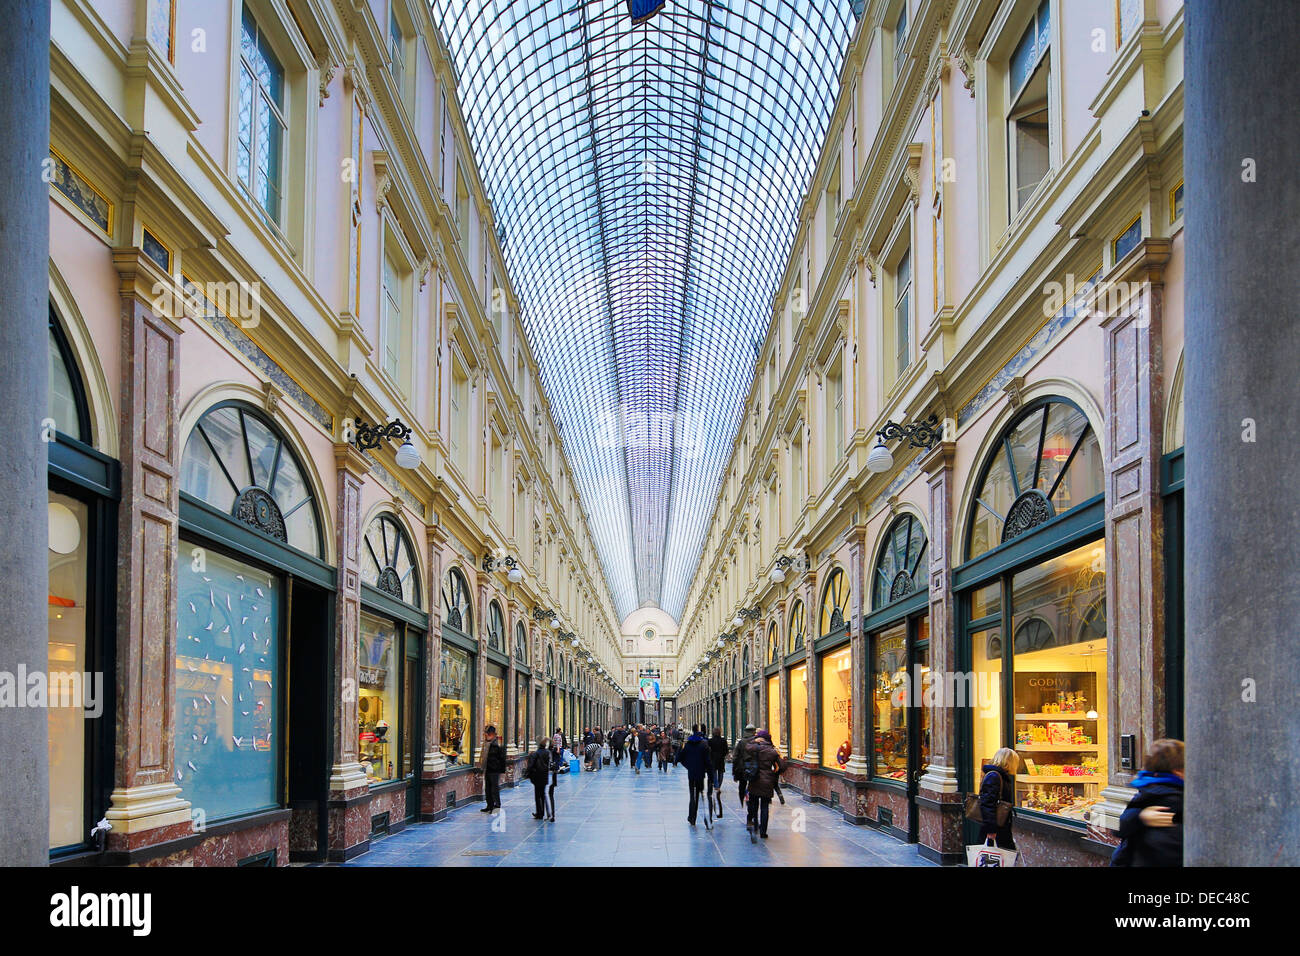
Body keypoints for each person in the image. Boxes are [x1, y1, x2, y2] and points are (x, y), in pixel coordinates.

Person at [1114, 739, 1184, 867]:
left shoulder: (1149, 791)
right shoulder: (1174, 799)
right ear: (1178, 771)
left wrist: (1140, 816)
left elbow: (1120, 827)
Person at [741, 729, 785, 840]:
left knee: (754, 805)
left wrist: (754, 740)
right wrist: (774, 773)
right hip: (767, 780)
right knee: (765, 807)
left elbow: (747, 746)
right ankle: (763, 832)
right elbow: (783, 766)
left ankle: (755, 826)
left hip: (755, 779)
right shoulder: (773, 751)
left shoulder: (755, 748)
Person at [977, 747, 1020, 850]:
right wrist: (991, 831)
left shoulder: (999, 776)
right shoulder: (994, 777)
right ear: (1009, 762)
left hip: (1000, 825)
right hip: (996, 827)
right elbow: (987, 803)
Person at [678, 724, 712, 825]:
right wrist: (710, 774)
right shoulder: (704, 744)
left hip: (691, 773)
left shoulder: (688, 744)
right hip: (700, 774)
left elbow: (681, 757)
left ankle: (691, 817)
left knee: (692, 796)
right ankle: (698, 817)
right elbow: (708, 761)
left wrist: (688, 766)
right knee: (698, 795)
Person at [480, 724, 506, 813]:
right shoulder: (486, 743)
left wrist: (501, 769)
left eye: (488, 733)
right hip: (487, 769)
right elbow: (484, 756)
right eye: (486, 733)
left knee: (494, 788)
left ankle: (497, 806)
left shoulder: (496, 744)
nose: (486, 735)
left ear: (493, 734)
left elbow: (502, 758)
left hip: (494, 770)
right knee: (488, 788)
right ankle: (489, 805)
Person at [732, 723, 756, 807]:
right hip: (754, 768)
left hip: (742, 768)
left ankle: (742, 801)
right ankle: (750, 801)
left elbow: (735, 758)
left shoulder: (741, 742)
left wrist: (734, 772)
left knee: (742, 785)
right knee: (753, 785)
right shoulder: (757, 741)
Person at [526, 736, 551, 820]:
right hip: (544, 775)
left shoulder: (536, 753)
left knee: (537, 795)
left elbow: (531, 765)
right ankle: (543, 812)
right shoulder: (547, 753)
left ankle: (539, 813)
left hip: (537, 776)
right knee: (543, 794)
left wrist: (527, 773)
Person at [707, 727, 729, 818]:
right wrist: (722, 755)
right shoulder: (723, 740)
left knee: (714, 773)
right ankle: (719, 785)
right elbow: (726, 750)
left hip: (713, 759)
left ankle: (716, 785)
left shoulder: (710, 741)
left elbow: (708, 750)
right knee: (720, 772)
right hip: (720, 759)